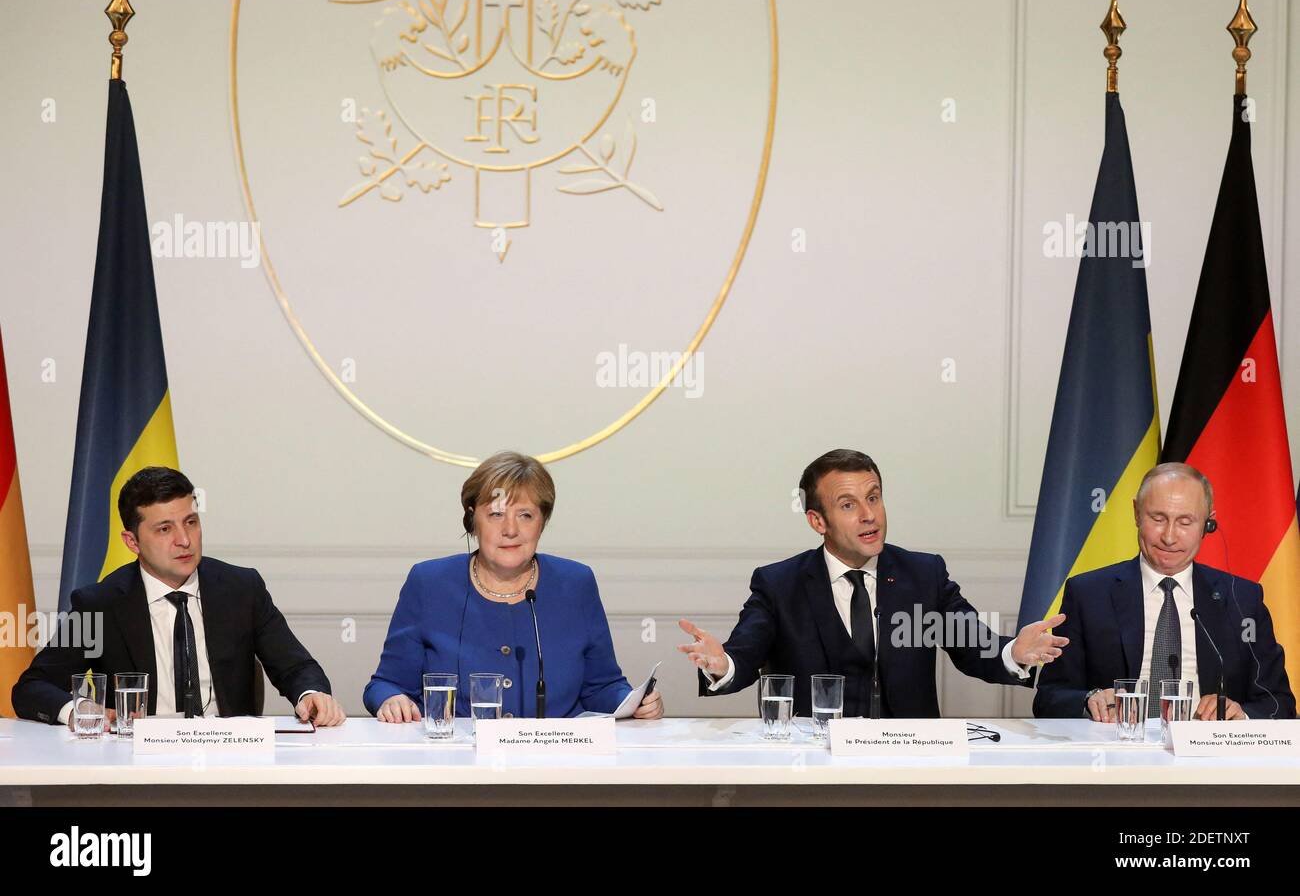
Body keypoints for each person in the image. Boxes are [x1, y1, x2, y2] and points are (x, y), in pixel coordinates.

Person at [678, 449, 1067, 717]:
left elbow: (975, 647)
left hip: (909, 771)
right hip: (813, 774)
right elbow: (743, 656)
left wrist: (1015, 650)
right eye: (848, 505)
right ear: (818, 521)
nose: (869, 515)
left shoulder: (923, 575)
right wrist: (722, 663)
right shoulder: (780, 584)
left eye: (874, 497)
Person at [13, 466, 344, 727]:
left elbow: (295, 666)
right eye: (164, 529)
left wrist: (311, 694)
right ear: (132, 542)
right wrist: (79, 708)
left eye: (191, 522)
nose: (185, 540)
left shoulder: (241, 589)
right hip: (136, 766)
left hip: (228, 762)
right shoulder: (100, 605)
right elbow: (31, 688)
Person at [364, 451, 663, 721]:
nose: (510, 530)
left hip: (555, 764)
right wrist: (391, 699)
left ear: (542, 522)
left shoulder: (575, 583)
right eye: (496, 514)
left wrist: (633, 702)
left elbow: (602, 686)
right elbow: (385, 684)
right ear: (472, 519)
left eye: (525, 515)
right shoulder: (430, 583)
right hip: (459, 763)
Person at [1034, 462, 1295, 721]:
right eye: (1158, 519)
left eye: (1185, 522)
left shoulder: (1243, 600)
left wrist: (1241, 715)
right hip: (1116, 751)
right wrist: (1089, 699)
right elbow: (1049, 697)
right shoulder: (1087, 594)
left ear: (1208, 523)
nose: (1169, 537)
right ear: (1136, 513)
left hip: (1208, 755)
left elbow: (1278, 703)